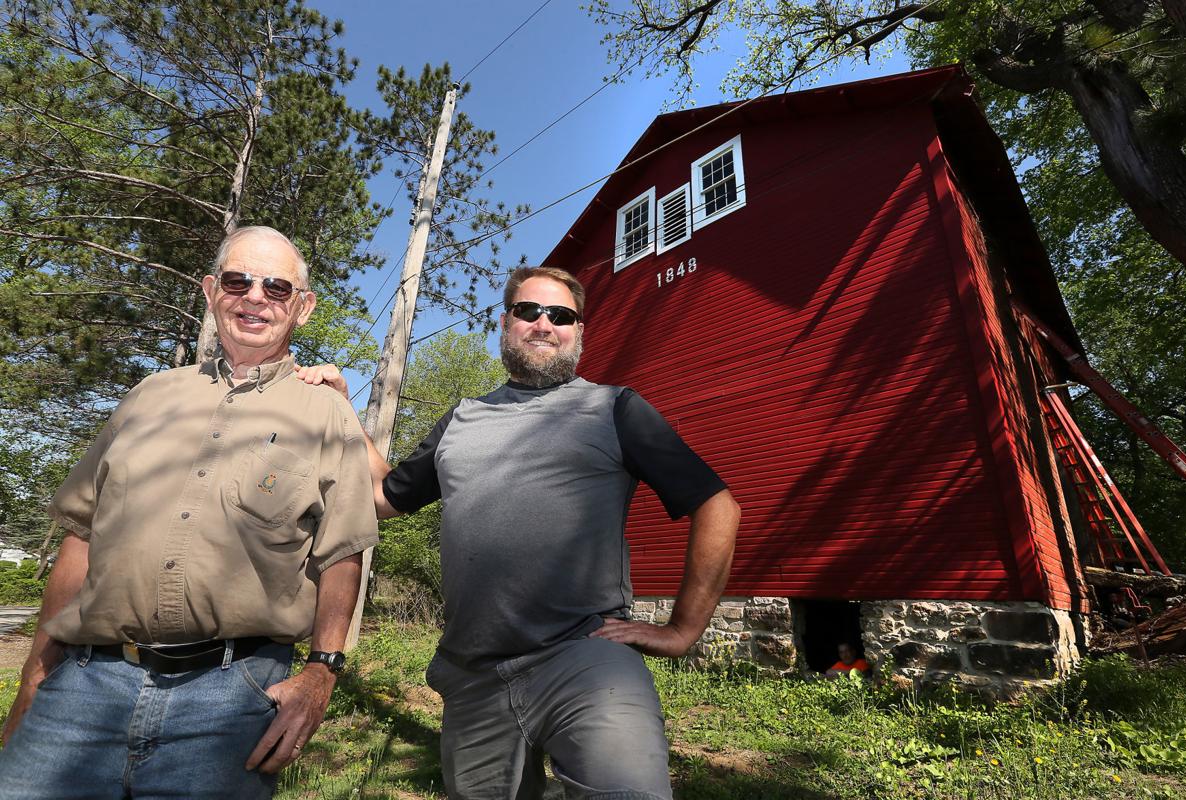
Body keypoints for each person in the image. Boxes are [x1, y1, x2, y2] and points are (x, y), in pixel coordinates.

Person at [298, 266, 740, 799]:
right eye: (528, 311)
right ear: (505, 322)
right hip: (473, 676)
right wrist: (343, 407)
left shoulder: (615, 409)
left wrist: (682, 630)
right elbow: (383, 497)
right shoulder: (462, 419)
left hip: (585, 660)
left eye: (561, 316)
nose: (544, 324)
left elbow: (717, 506)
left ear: (579, 331)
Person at [0, 226, 379, 799]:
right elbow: (81, 535)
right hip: (83, 685)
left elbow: (343, 551)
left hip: (233, 698)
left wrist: (321, 673)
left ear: (302, 308)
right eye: (238, 281)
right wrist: (34, 672)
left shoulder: (327, 412)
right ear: (210, 291)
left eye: (277, 287)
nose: (255, 297)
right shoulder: (147, 395)